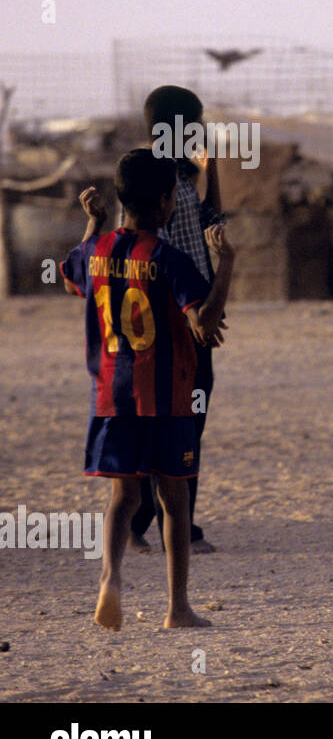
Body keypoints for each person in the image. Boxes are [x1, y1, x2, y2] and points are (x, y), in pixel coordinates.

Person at [61, 149, 235, 630]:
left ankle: (110, 579)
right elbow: (205, 326)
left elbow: (72, 279)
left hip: (112, 398)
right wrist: (226, 266)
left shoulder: (98, 251)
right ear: (165, 203)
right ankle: (177, 608)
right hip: (168, 399)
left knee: (124, 498)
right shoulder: (169, 259)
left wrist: (93, 226)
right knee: (174, 501)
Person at [127, 85, 226, 555]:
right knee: (181, 423)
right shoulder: (150, 174)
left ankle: (159, 517)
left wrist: (214, 174)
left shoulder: (180, 175)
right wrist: (190, 313)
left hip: (196, 315)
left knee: (191, 420)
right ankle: (167, 522)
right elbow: (152, 252)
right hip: (176, 320)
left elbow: (210, 227)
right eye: (195, 121)